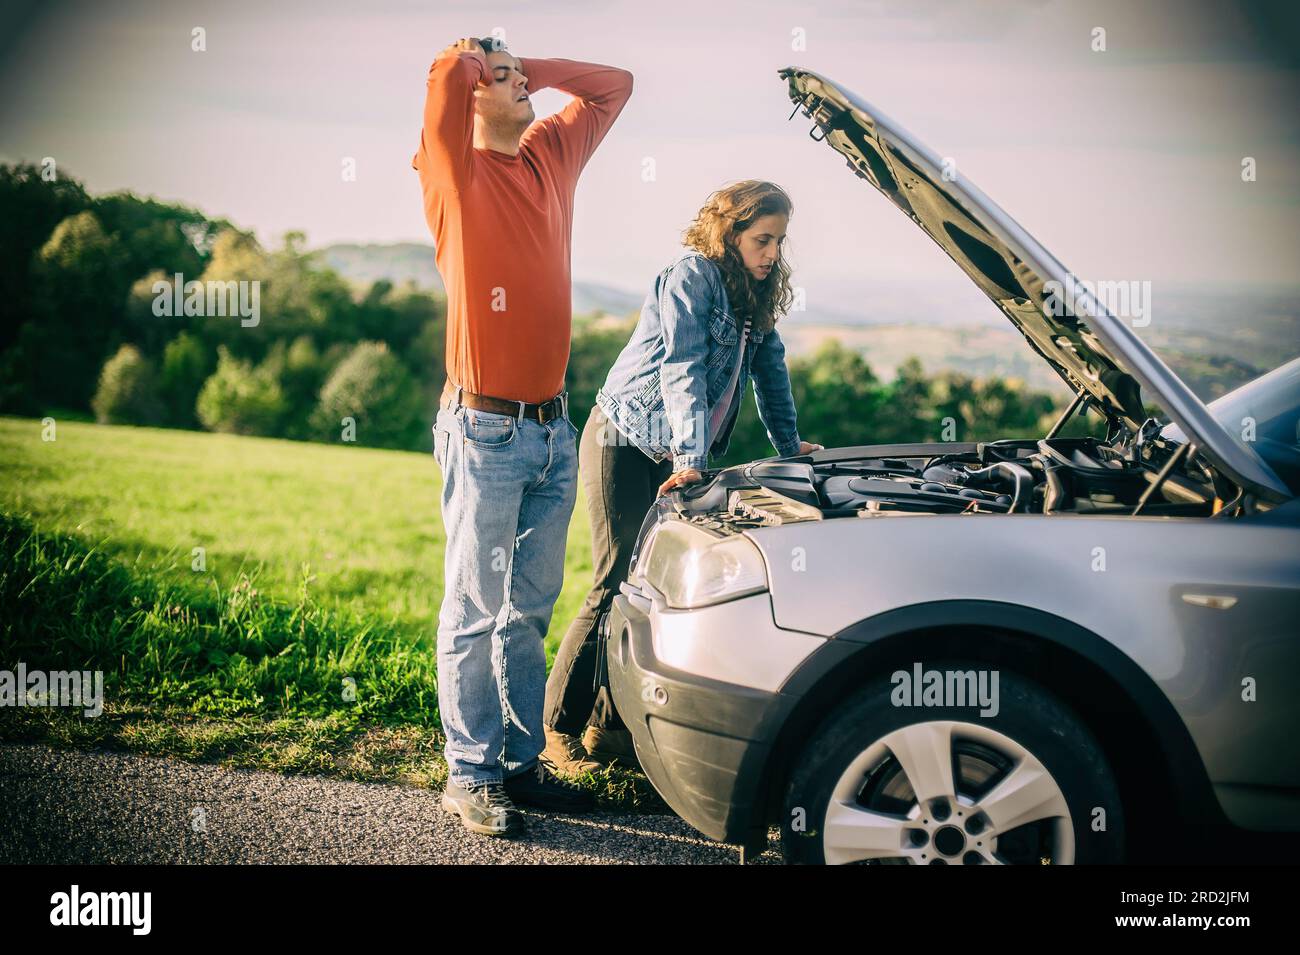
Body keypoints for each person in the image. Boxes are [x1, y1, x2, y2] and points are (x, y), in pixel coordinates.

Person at [413, 35, 633, 836]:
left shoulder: (549, 155)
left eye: (522, 77)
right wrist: (473, 60)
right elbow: (442, 81)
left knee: (526, 613)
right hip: (484, 432)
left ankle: (516, 762)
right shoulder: (454, 173)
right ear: (473, 99)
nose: (521, 85)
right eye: (500, 78)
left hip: (553, 431)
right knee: (473, 609)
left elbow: (614, 85)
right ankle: (469, 776)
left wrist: (524, 68)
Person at [543, 180, 822, 774]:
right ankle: (555, 729)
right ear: (732, 232)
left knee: (653, 588)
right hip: (623, 437)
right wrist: (689, 458)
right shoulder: (692, 275)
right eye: (762, 239)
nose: (773, 252)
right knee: (615, 578)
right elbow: (683, 368)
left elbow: (770, 371)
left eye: (779, 241)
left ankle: (609, 731)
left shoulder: (756, 289)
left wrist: (789, 444)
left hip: (677, 453)